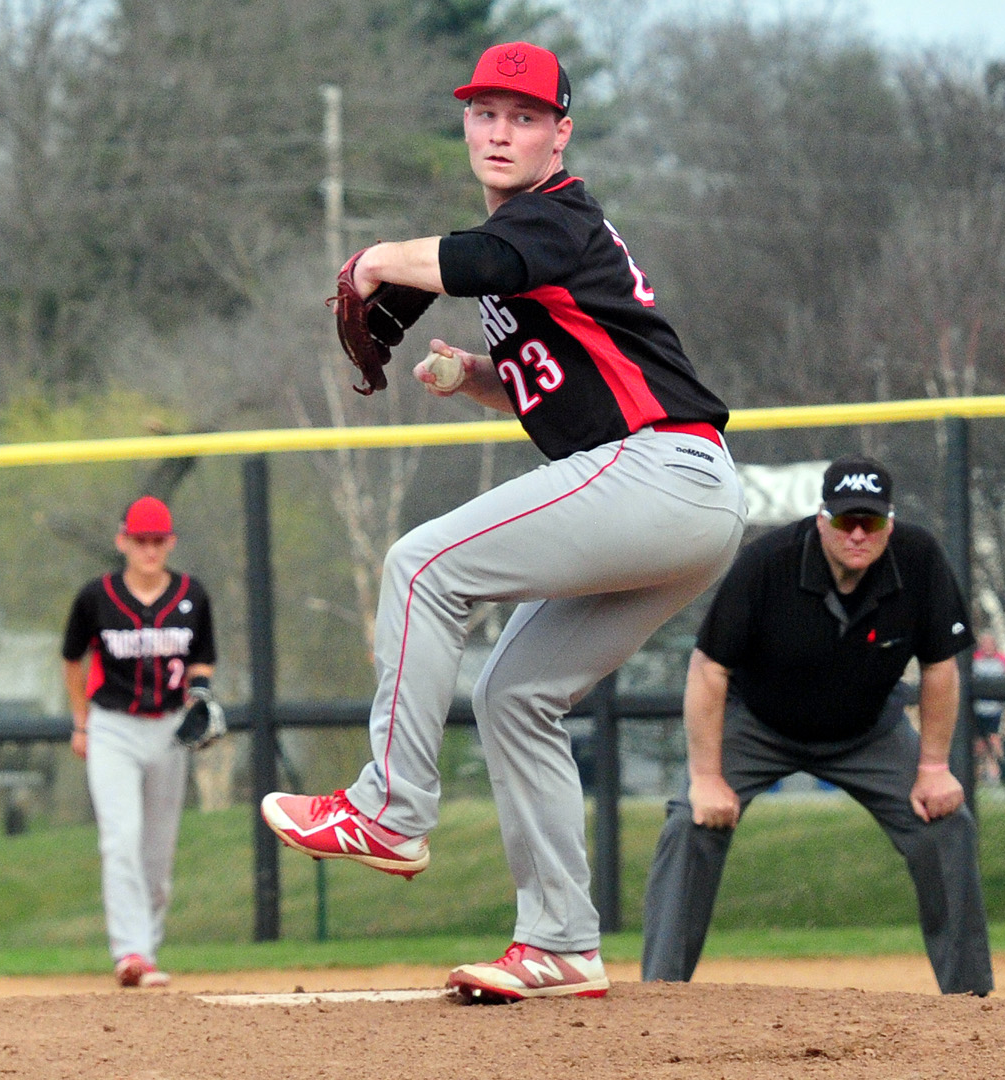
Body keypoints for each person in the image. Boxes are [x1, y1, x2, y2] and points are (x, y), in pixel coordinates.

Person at [260, 41, 746, 1004]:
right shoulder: (532, 246)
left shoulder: (553, 216)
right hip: (674, 492)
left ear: (559, 134)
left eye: (523, 117)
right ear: (466, 124)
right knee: (517, 694)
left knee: (421, 564)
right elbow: (568, 384)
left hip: (661, 471)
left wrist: (371, 263)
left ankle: (388, 810)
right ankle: (562, 943)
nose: (500, 130)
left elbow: (477, 259)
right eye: (485, 112)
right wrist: (475, 378)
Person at [640, 455, 994, 996]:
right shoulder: (767, 563)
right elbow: (709, 668)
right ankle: (661, 994)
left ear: (889, 524)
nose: (858, 533)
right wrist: (707, 778)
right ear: (821, 519)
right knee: (690, 822)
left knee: (947, 822)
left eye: (871, 522)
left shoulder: (918, 558)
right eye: (846, 520)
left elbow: (941, 666)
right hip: (758, 724)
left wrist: (933, 767)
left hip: (869, 731)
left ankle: (972, 1001)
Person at [62, 495, 221, 988]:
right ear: (122, 541)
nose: (149, 549)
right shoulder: (96, 597)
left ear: (170, 542)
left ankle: (146, 947)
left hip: (169, 730)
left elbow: (202, 659)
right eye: (140, 540)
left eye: (158, 541)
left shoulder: (193, 594)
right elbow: (73, 660)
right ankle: (128, 951)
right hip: (113, 727)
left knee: (157, 853)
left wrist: (200, 695)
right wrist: (81, 722)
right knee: (120, 838)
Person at [972, 632, 1005, 781]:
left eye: (990, 643)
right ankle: (976, 776)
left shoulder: (1004, 661)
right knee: (978, 744)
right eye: (984, 643)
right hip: (977, 710)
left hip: (995, 710)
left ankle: (996, 775)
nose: (987, 646)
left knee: (994, 740)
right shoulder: (974, 661)